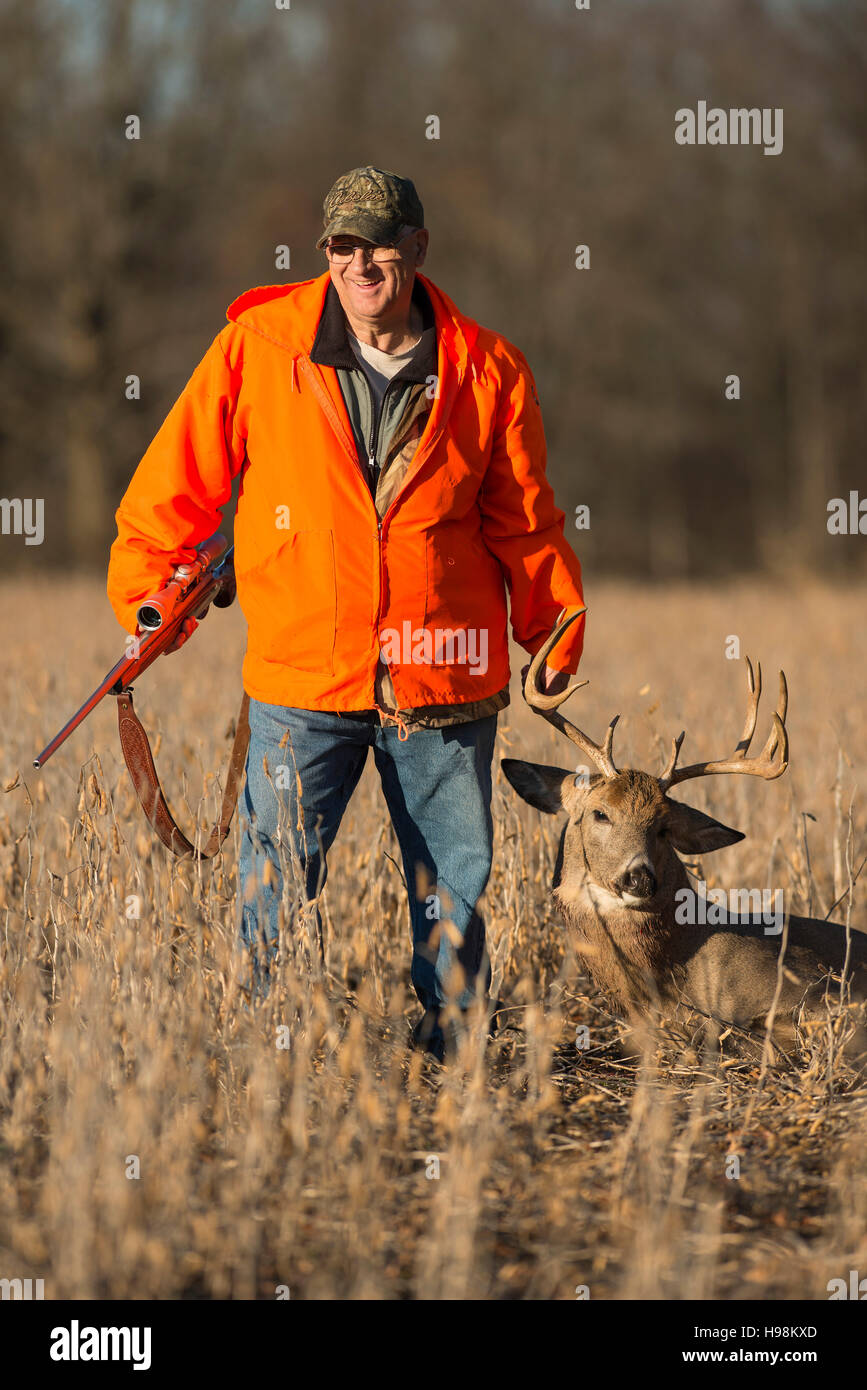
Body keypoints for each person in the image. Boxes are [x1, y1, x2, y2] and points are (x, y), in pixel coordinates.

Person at [107, 165, 586, 1061]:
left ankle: (456, 1048)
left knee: (450, 880)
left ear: (416, 247)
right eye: (341, 245)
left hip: (441, 669)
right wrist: (151, 592)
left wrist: (551, 627)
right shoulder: (259, 347)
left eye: (377, 243)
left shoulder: (487, 368)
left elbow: (524, 518)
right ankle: (265, 1045)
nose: (360, 262)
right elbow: (174, 482)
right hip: (303, 670)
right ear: (324, 252)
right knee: (274, 876)